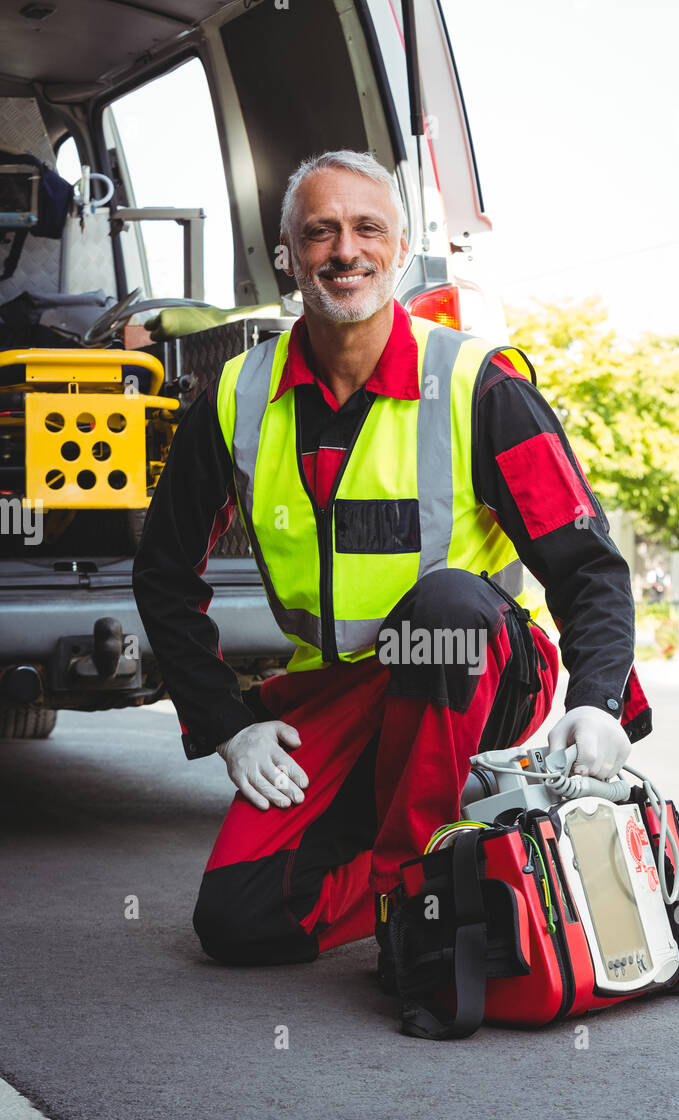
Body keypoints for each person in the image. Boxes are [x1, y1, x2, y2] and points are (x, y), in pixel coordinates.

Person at [132, 149, 652, 973]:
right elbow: (162, 572)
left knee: (441, 610)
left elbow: (587, 566)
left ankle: (429, 900)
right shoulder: (234, 396)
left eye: (368, 228)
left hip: (472, 671)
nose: (346, 250)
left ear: (401, 250)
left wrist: (599, 702)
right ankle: (422, 877)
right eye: (320, 232)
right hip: (341, 698)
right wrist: (226, 725)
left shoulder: (478, 383)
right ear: (288, 255)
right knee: (240, 921)